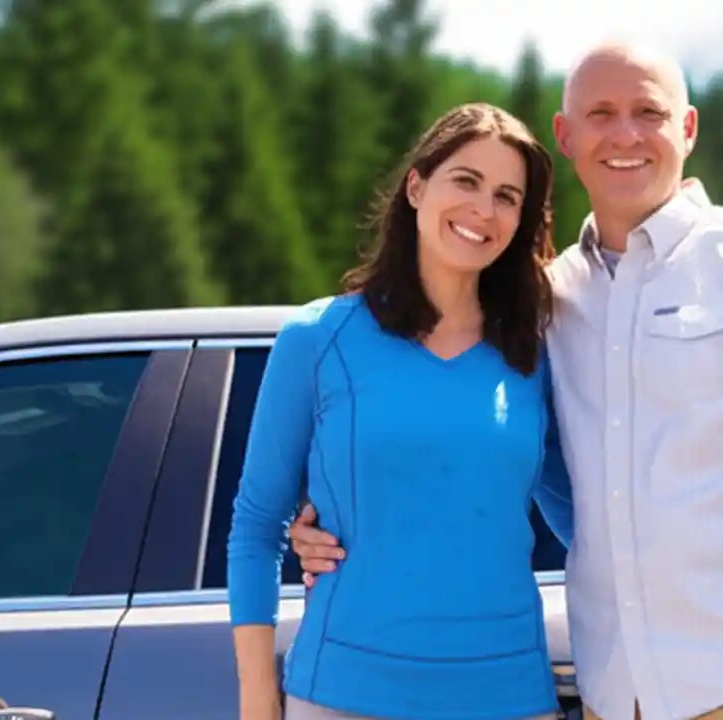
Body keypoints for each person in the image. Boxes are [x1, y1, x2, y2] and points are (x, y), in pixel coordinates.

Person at [290, 41, 723, 720]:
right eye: (601, 113)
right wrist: (327, 524)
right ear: (566, 136)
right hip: (617, 693)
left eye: (649, 112)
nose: (626, 134)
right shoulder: (548, 301)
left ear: (687, 130)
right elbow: (467, 445)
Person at [226, 102, 573, 720]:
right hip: (343, 694)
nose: (482, 210)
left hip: (509, 696)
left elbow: (586, 523)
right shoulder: (318, 338)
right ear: (417, 187)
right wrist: (258, 703)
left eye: (506, 196)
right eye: (464, 181)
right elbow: (256, 525)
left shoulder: (537, 354)